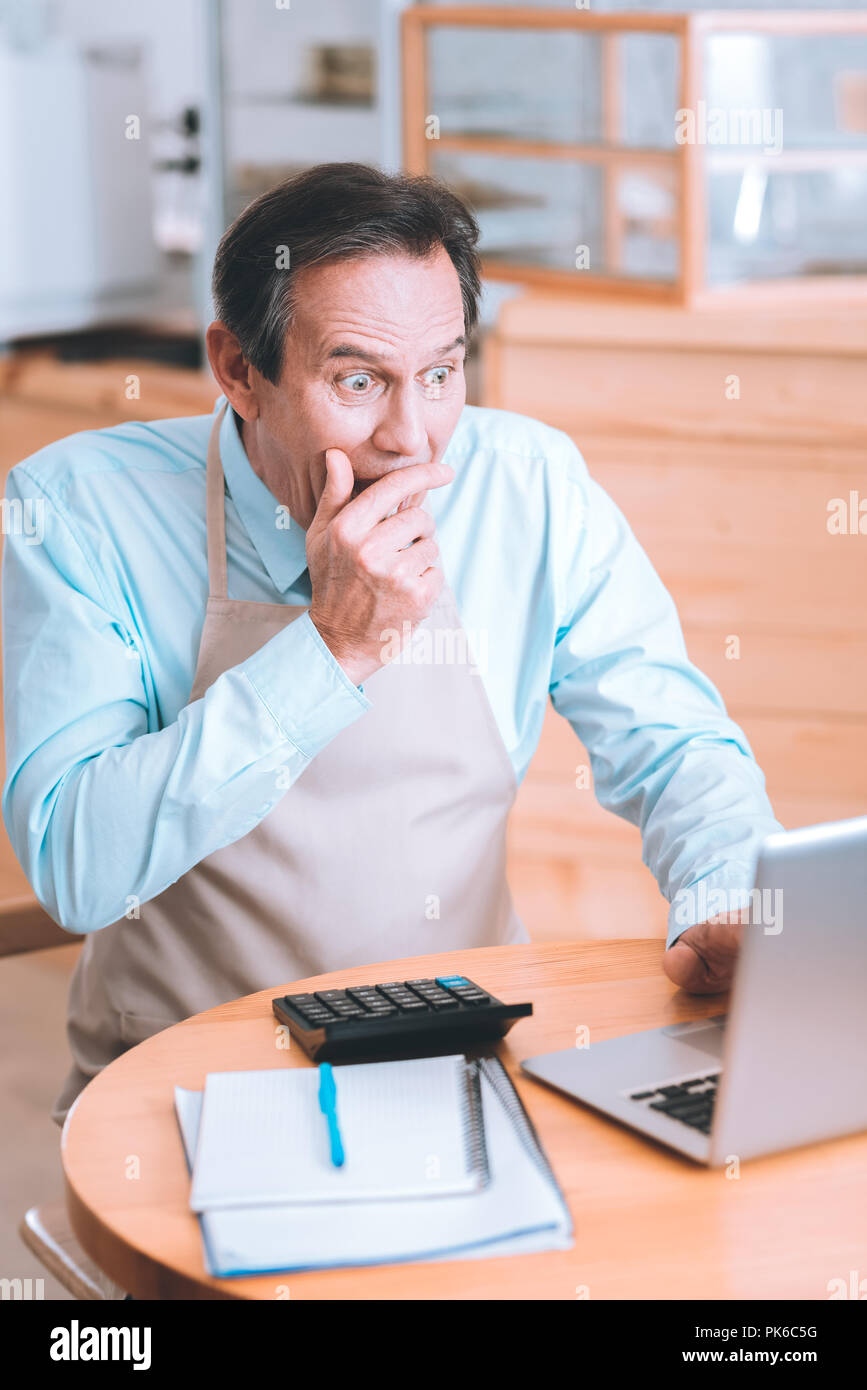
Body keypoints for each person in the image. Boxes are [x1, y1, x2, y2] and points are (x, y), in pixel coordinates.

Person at [1, 163, 781, 1127]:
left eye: (442, 373)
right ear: (239, 369)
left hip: (462, 1066)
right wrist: (332, 646)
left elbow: (676, 745)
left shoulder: (529, 484)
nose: (413, 439)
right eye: (357, 379)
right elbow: (78, 868)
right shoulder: (77, 508)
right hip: (177, 1092)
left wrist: (723, 896)